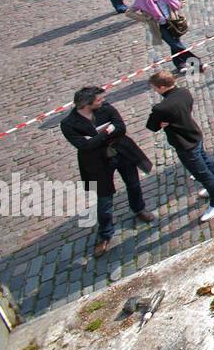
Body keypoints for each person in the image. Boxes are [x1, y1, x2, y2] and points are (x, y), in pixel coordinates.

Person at [61, 87, 156, 257]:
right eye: (98, 100)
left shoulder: (106, 108)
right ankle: (105, 234)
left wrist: (97, 137)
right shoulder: (68, 124)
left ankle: (139, 209)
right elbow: (84, 146)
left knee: (133, 184)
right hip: (97, 162)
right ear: (86, 105)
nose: (102, 101)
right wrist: (107, 132)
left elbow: (120, 128)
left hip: (122, 153)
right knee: (104, 200)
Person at [146, 71, 214, 222]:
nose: (154, 90)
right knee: (206, 161)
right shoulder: (184, 92)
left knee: (202, 173)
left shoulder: (161, 108)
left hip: (184, 143)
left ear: (162, 87)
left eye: (155, 88)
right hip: (194, 134)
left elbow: (152, 126)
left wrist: (162, 123)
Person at [131, 0, 203, 74]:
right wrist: (146, 18)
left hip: (173, 22)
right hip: (159, 26)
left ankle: (179, 64)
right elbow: (130, 12)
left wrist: (180, 5)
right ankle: (196, 63)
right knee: (175, 44)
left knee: (175, 45)